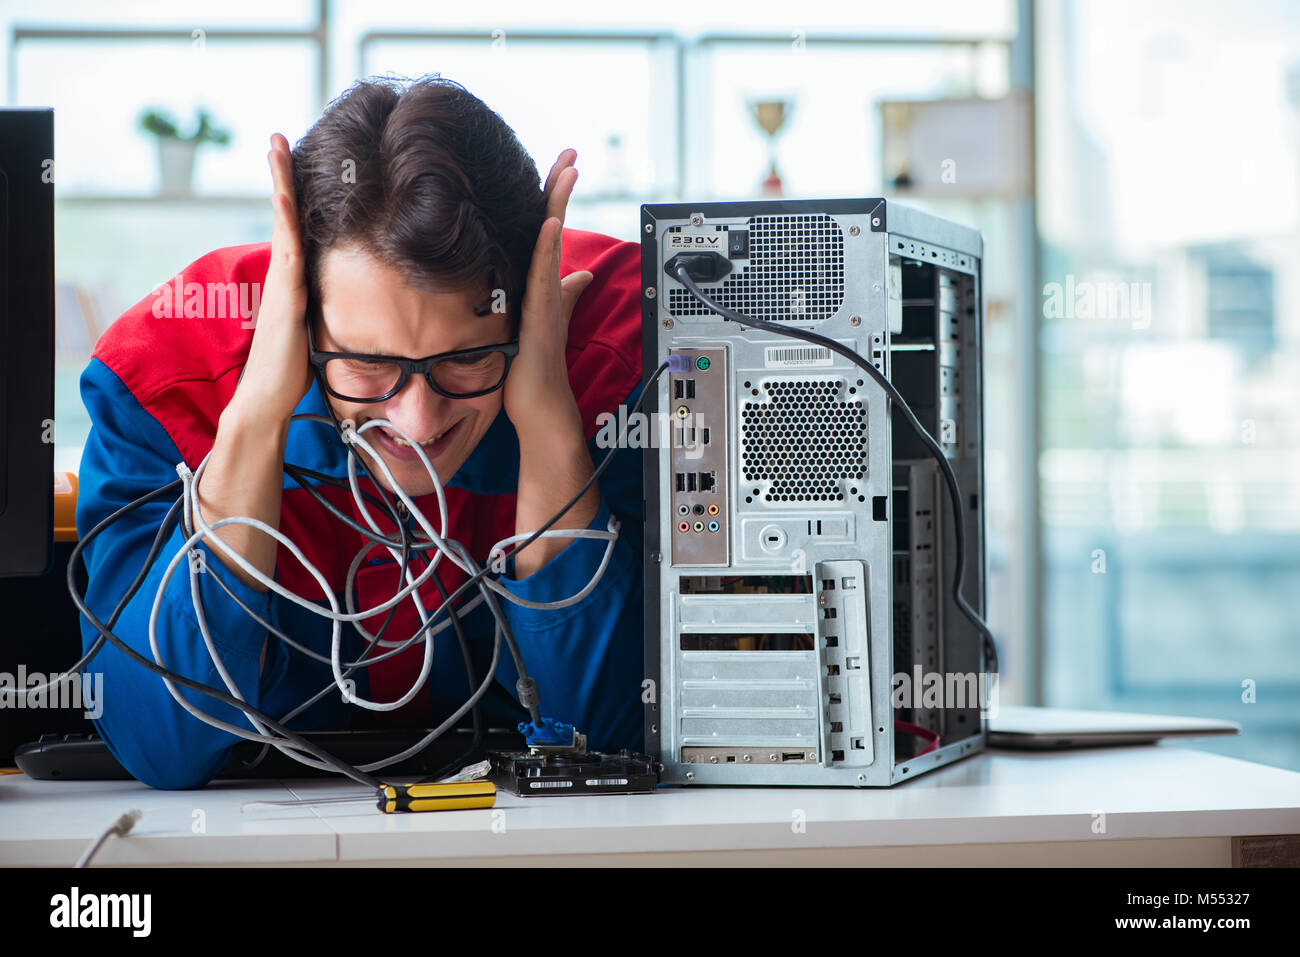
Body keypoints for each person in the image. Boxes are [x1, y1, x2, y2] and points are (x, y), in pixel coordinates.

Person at [76, 75, 645, 789]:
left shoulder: (634, 365)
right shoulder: (165, 377)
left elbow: (604, 742)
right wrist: (255, 414)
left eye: (467, 358)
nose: (417, 419)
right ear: (304, 306)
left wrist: (551, 427)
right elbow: (163, 744)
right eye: (370, 363)